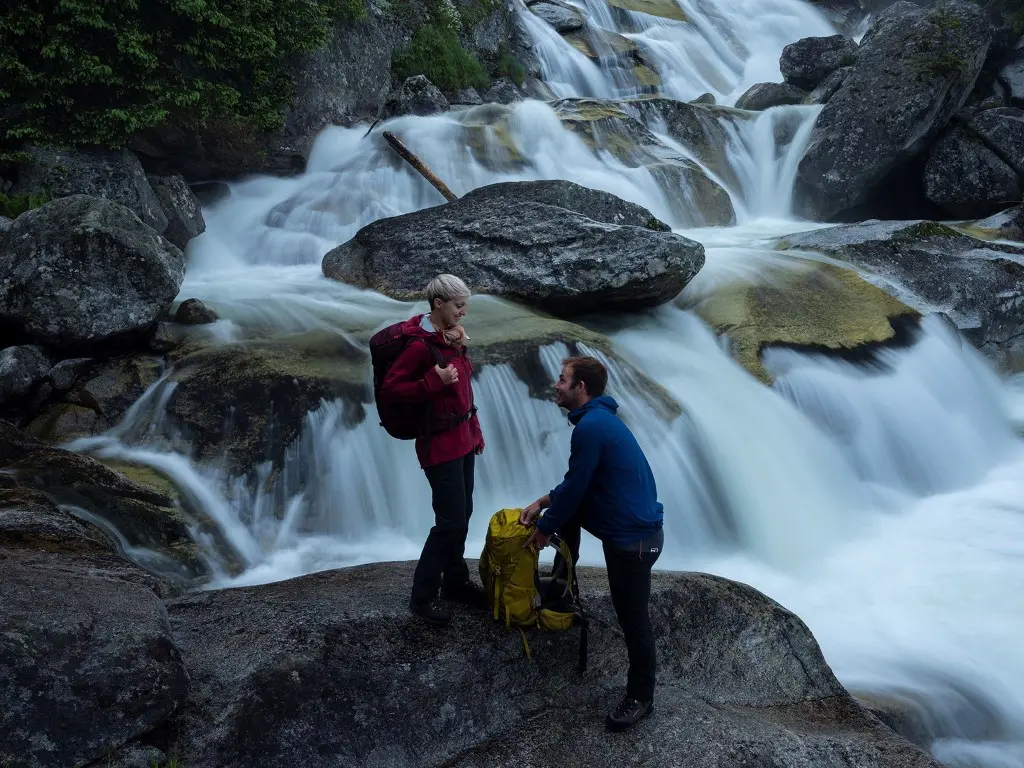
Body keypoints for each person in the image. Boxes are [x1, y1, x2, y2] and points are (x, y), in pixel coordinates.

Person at [520, 356, 664, 732]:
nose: (556, 384)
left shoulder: (591, 428)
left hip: (634, 541)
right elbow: (573, 486)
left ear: (580, 388)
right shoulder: (598, 421)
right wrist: (541, 504)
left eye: (563, 379)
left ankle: (640, 698)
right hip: (627, 525)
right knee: (567, 510)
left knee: (634, 621)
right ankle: (562, 590)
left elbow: (576, 490)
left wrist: (542, 530)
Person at [379, 274, 486, 626]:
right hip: (439, 444)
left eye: (465, 305)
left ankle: (455, 581)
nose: (464, 312)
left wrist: (476, 432)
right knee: (450, 520)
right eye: (458, 306)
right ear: (438, 305)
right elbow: (393, 389)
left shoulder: (448, 338)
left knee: (464, 512)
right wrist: (431, 382)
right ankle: (423, 595)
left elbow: (463, 392)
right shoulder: (418, 346)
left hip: (463, 437)